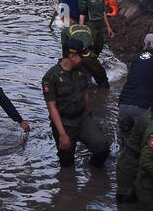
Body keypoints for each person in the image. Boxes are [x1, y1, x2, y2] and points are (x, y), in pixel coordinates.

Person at [42, 38, 110, 169]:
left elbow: (85, 93)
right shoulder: (51, 77)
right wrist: (62, 133)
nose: (84, 59)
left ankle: (93, 173)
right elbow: (52, 108)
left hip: (82, 118)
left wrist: (88, 115)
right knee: (66, 163)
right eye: (81, 56)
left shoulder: (81, 71)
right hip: (64, 123)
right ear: (72, 56)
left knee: (102, 147)